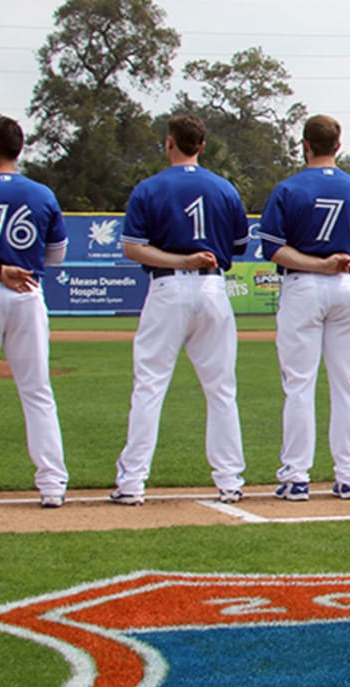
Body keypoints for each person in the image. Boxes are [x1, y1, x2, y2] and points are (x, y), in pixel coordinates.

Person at [112, 114, 248, 505]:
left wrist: (179, 258)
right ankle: (230, 481)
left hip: (168, 286)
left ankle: (133, 482)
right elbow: (237, 246)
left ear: (170, 142)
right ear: (202, 146)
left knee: (150, 385)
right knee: (221, 388)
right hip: (213, 288)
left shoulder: (149, 188)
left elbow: (133, 248)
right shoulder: (224, 189)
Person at [258, 115, 350, 500]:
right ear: (338, 146)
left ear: (305, 145)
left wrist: (316, 263)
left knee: (299, 384)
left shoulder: (288, 189)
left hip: (303, 285)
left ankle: (296, 477)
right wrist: (333, 264)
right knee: (347, 385)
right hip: (345, 287)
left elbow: (272, 248)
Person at [0, 115, 69, 507]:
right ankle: (52, 485)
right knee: (37, 391)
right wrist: (21, 269)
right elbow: (57, 253)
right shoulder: (42, 193)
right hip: (29, 294)